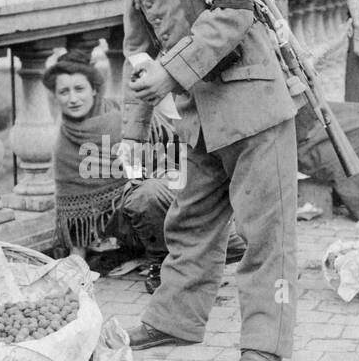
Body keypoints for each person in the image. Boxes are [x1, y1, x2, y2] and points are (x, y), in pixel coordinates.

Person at [56, 0, 298, 361]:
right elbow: (138, 56)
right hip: (201, 118)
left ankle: (265, 344)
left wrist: (172, 72)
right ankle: (174, 321)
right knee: (189, 224)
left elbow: (234, 8)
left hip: (253, 107)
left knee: (266, 235)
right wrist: (132, 134)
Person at [45, 55, 245, 292]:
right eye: (64, 92)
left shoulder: (126, 119)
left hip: (173, 201)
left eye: (79, 89)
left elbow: (179, 162)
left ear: (94, 90)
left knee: (146, 195)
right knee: (137, 201)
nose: (73, 99)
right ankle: (153, 256)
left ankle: (173, 260)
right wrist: (76, 266)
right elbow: (75, 218)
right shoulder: (64, 142)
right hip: (130, 225)